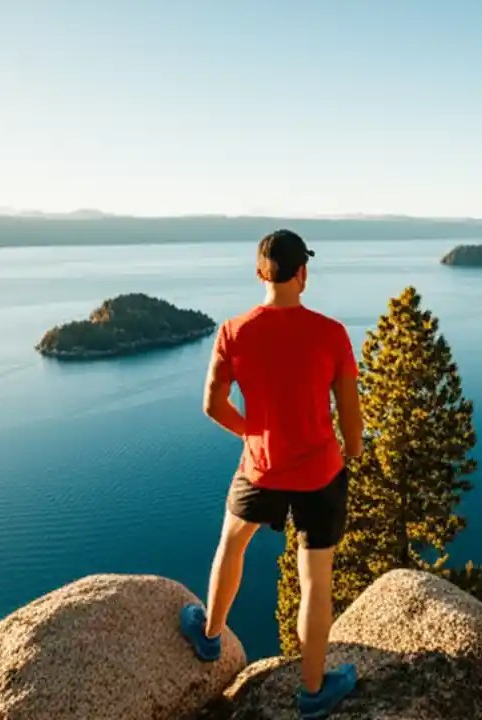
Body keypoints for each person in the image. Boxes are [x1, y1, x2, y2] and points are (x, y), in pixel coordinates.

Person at [180, 229, 364, 718]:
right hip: (320, 474)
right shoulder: (332, 333)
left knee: (232, 546)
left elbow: (211, 405)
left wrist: (251, 432)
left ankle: (210, 636)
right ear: (303, 273)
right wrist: (354, 452)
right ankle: (312, 691)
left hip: (259, 469)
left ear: (260, 272)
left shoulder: (233, 332)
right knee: (315, 582)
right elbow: (350, 414)